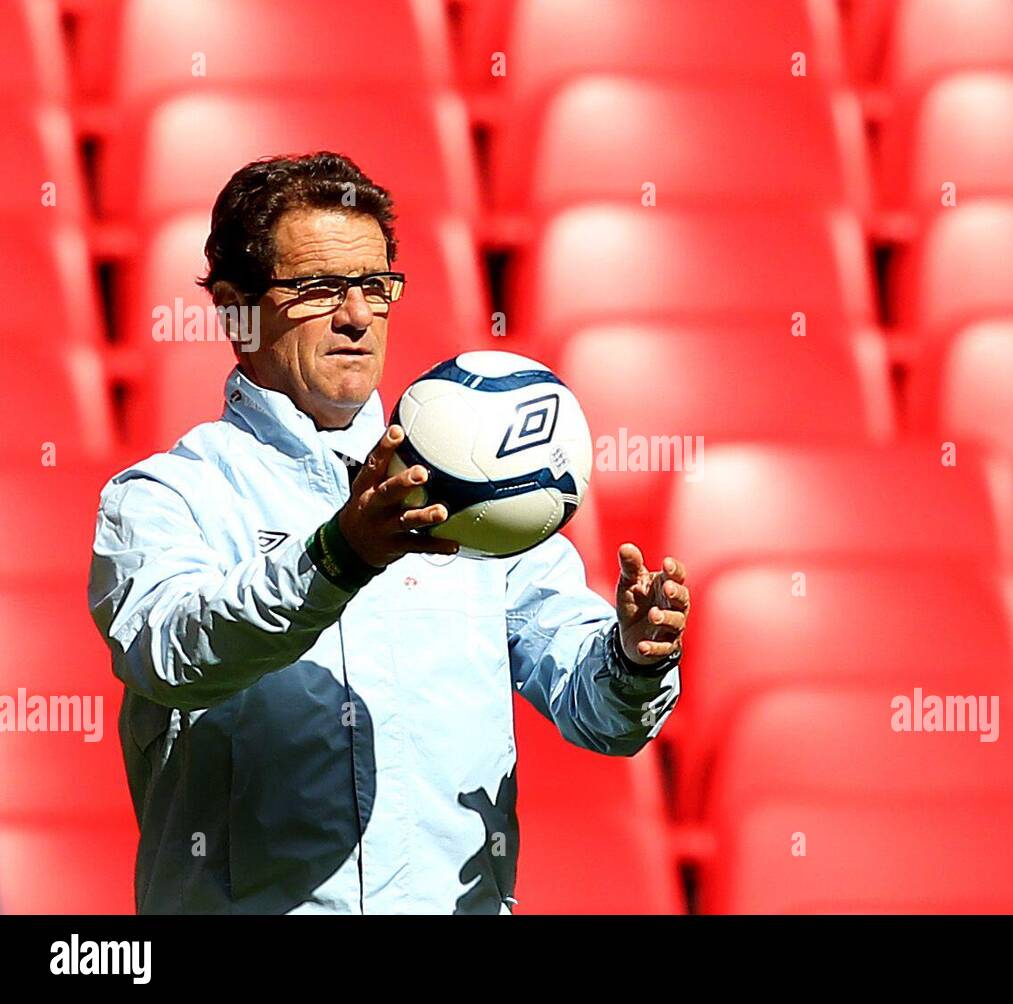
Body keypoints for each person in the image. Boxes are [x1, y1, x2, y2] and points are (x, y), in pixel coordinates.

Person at [88, 152, 688, 914]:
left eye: (375, 285)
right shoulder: (165, 497)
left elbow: (598, 717)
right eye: (319, 290)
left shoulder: (477, 490)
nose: (358, 316)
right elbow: (174, 656)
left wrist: (634, 660)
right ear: (236, 309)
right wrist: (339, 557)